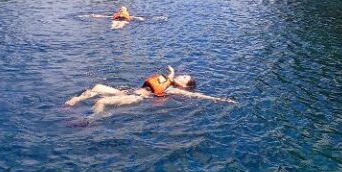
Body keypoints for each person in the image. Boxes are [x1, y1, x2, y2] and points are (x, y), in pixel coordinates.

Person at [65, 66, 235, 114]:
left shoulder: (176, 91)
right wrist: (172, 73)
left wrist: (222, 100)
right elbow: (170, 75)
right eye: (183, 75)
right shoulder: (167, 81)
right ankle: (75, 101)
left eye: (185, 78)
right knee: (96, 88)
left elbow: (199, 96)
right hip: (127, 91)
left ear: (184, 86)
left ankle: (90, 121)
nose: (182, 76)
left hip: (137, 98)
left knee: (101, 100)